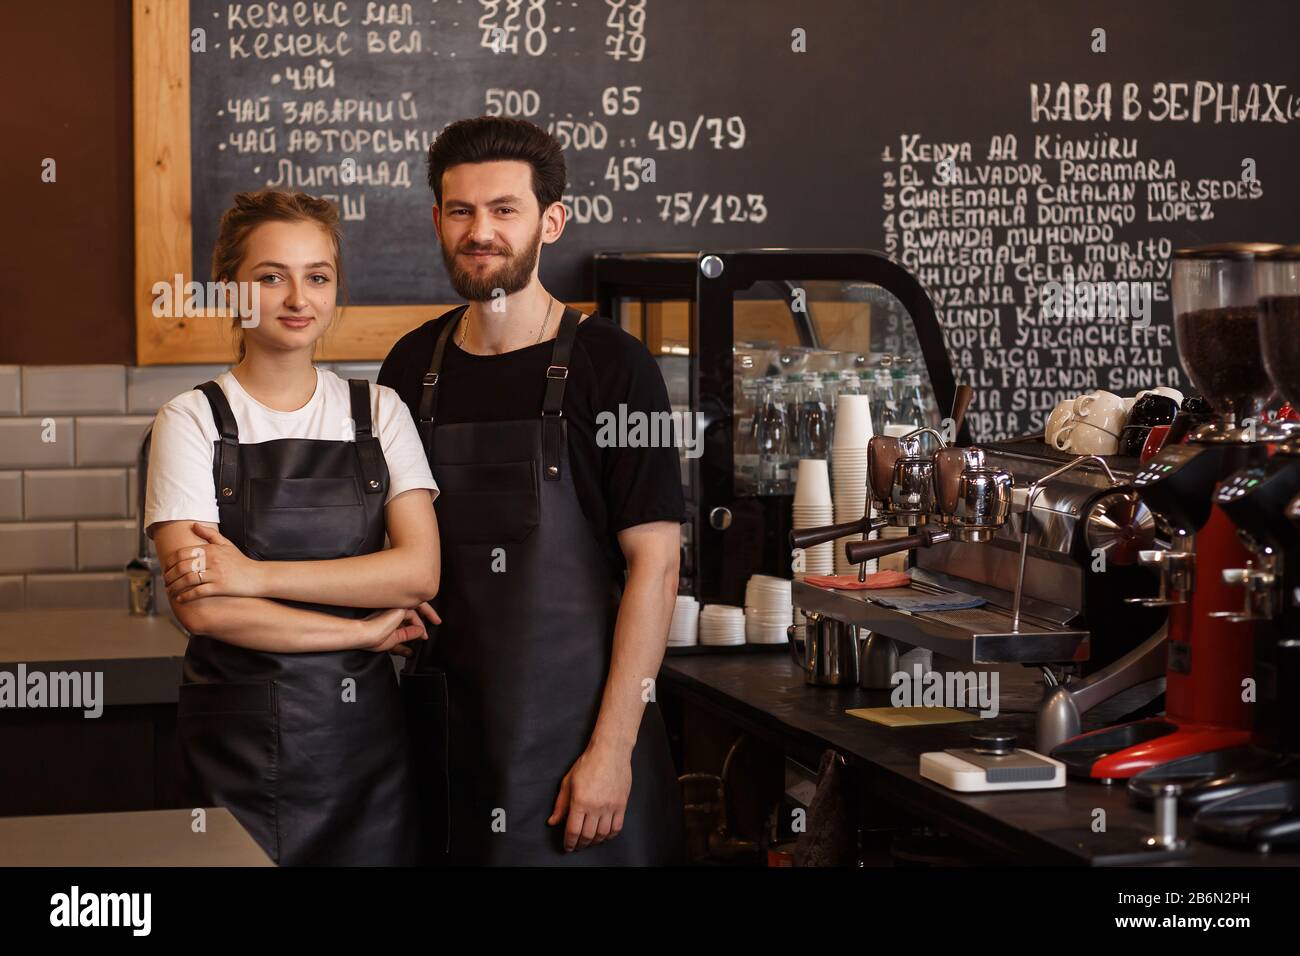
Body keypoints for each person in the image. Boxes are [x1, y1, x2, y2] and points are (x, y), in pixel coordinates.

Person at [379, 116, 687, 865]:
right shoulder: (409, 368)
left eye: (504, 210)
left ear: (551, 220)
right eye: (461, 211)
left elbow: (657, 565)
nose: (480, 231)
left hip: (578, 748)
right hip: (445, 746)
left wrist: (612, 750)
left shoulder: (617, 368)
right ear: (437, 220)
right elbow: (388, 547)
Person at [144, 190, 440, 865]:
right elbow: (205, 609)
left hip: (364, 748)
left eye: (318, 276)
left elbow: (419, 571)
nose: (296, 296)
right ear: (230, 294)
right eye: (270, 276)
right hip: (237, 749)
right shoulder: (189, 421)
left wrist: (252, 574)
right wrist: (360, 630)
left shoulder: (380, 411)